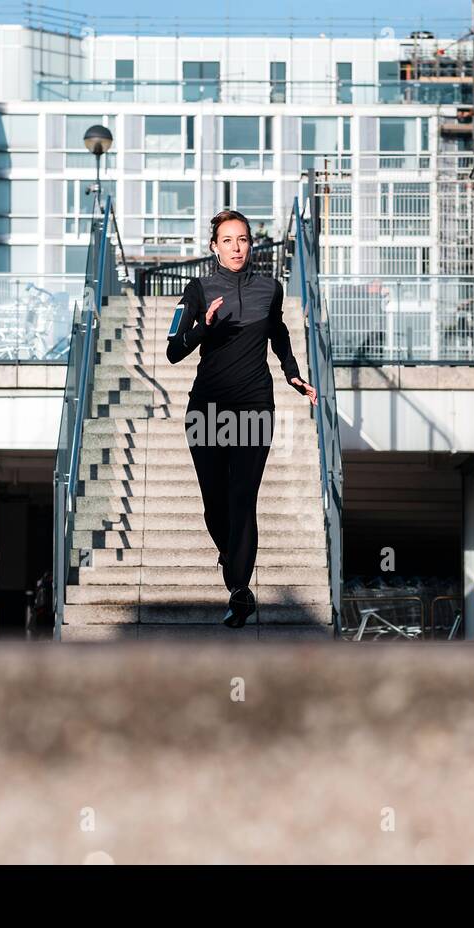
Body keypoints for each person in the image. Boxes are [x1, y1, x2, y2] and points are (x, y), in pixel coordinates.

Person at [165, 210, 318, 627]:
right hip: (208, 409)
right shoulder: (197, 290)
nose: (237, 247)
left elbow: (279, 332)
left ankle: (239, 590)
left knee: (242, 499)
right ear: (213, 246)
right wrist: (204, 328)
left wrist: (292, 373)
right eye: (228, 240)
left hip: (254, 406)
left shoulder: (270, 288)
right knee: (214, 504)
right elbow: (173, 350)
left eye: (244, 239)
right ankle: (233, 565)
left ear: (251, 244)